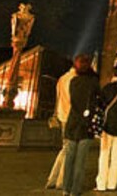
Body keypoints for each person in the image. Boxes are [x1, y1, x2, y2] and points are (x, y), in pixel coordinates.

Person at [61, 54, 100, 196]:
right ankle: (75, 191)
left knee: (69, 160)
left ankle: (66, 189)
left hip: (72, 124)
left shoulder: (73, 82)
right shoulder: (94, 82)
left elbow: (74, 102)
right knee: (80, 161)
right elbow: (98, 101)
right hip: (86, 125)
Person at [46, 59, 77, 189]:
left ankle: (52, 179)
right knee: (69, 149)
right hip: (71, 117)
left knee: (65, 148)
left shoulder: (62, 79)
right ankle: (61, 181)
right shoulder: (75, 80)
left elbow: (58, 98)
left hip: (61, 115)